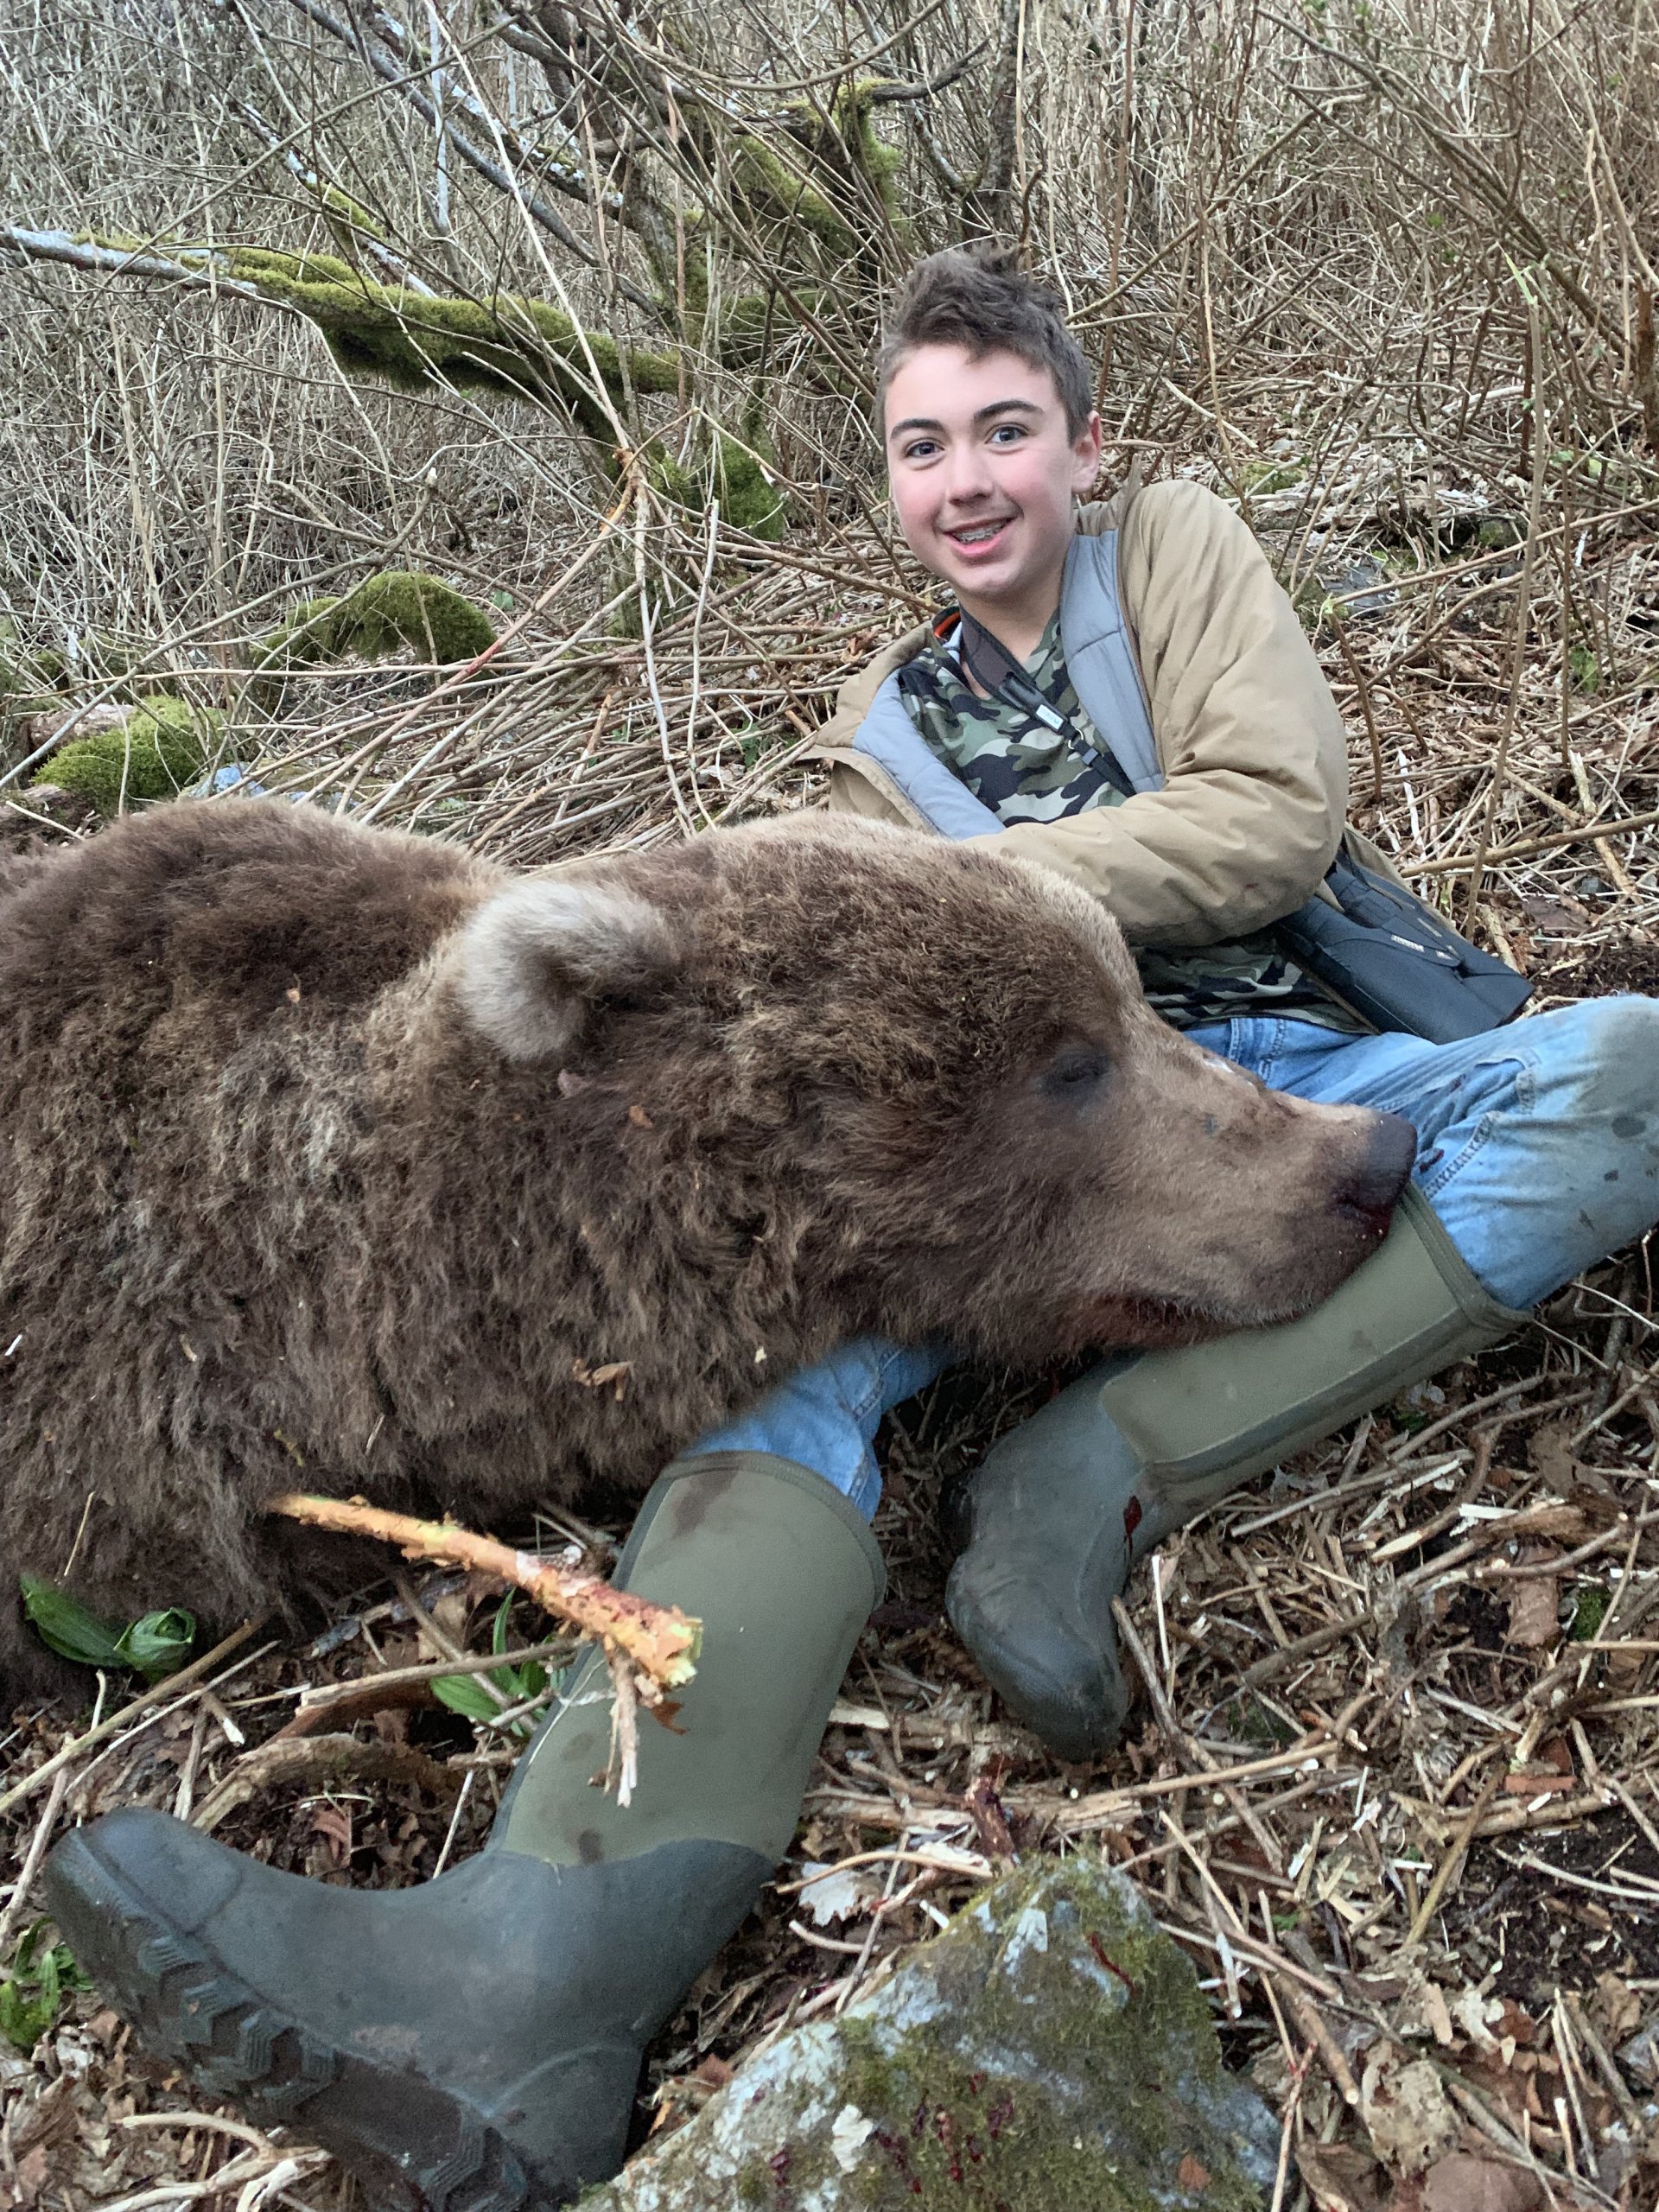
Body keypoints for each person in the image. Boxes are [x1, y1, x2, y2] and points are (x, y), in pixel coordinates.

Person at [44, 243, 1659, 2211]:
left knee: (1627, 1068)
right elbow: (757, 1026)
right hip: (1033, 1127)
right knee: (767, 1362)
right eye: (922, 445)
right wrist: (897, 930)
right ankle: (532, 1975)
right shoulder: (875, 728)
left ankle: (1096, 1461)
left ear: (1080, 442)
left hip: (1266, 1040)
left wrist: (973, 903)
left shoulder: (1180, 565)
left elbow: (1271, 812)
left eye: (1003, 429)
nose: (967, 476)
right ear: (890, 486)